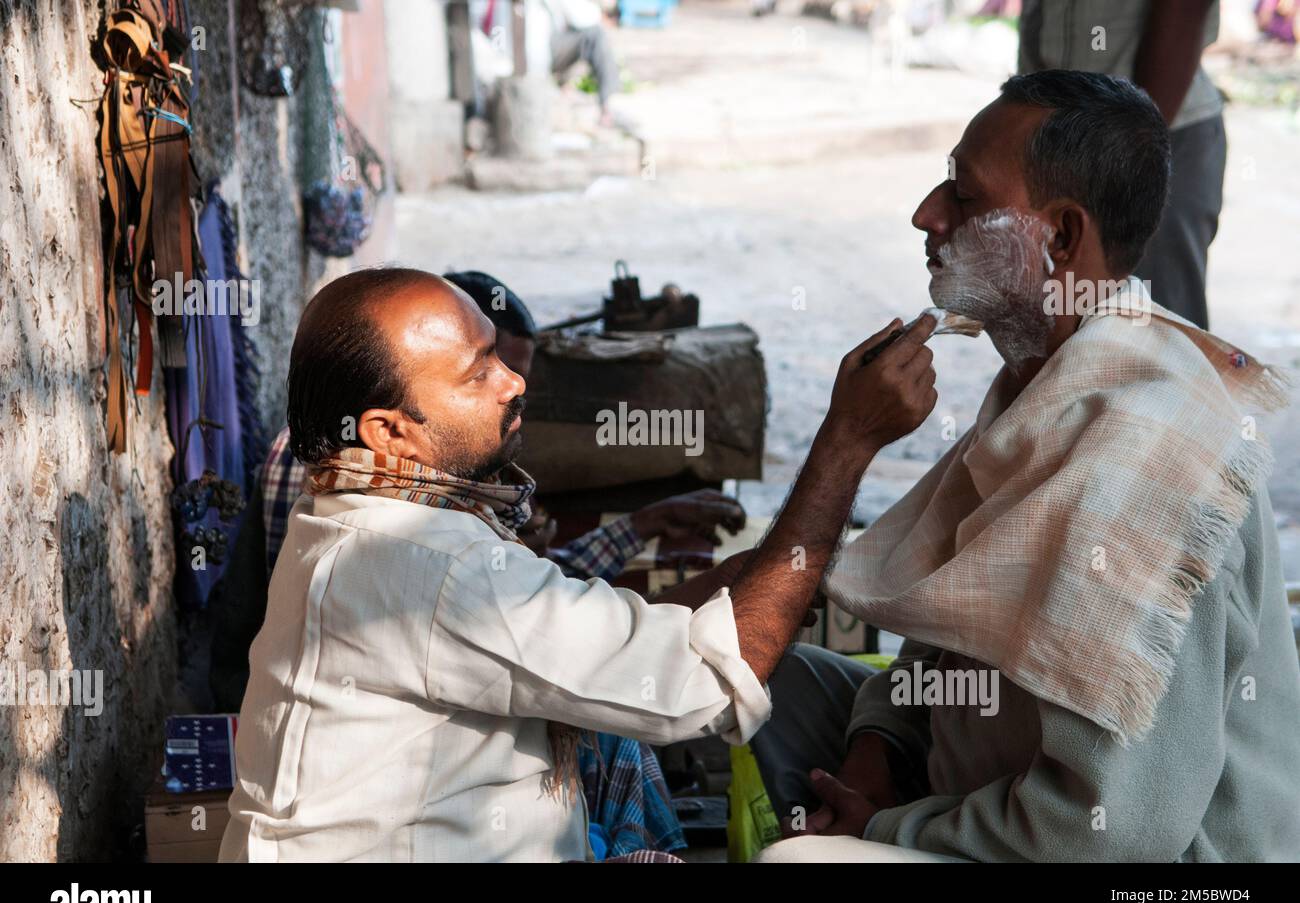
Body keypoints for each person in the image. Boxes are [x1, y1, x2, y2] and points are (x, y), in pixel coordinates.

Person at [751, 70, 1300, 863]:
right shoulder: (1047, 388)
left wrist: (880, 825)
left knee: (799, 859)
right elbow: (954, 620)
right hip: (988, 789)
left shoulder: (1140, 459)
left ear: (1062, 238)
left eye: (964, 199)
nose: (926, 215)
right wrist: (879, 746)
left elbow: (1113, 834)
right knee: (779, 682)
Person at [219, 267, 937, 861]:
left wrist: (748, 577)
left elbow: (575, 620)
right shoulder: (427, 563)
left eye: (498, 355)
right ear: (390, 433)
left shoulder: (353, 515)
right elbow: (708, 683)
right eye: (477, 374)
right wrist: (847, 443)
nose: (512, 382)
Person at [1018, 0, 1225, 330]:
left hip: (1154, 132)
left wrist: (1134, 152)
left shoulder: (1137, 143)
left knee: (1154, 328)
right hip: (1058, 133)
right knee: (1068, 318)